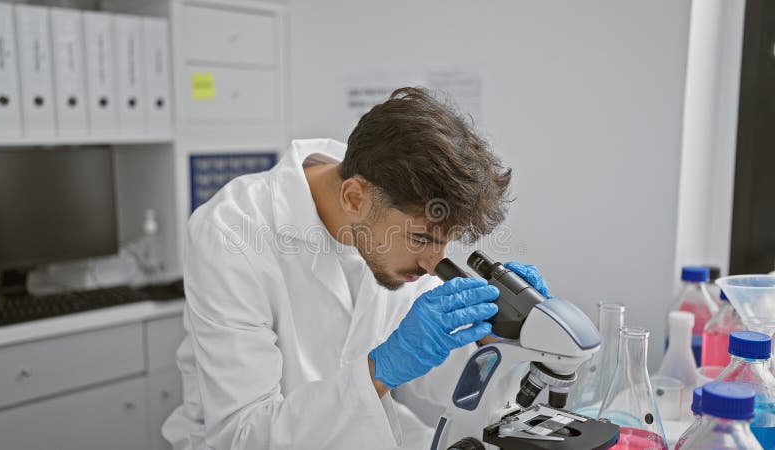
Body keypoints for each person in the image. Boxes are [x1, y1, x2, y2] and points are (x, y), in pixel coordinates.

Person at [162, 87, 551, 449]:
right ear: (354, 197)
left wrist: (500, 343)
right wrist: (381, 368)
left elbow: (445, 381)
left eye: (444, 241)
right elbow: (242, 435)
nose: (435, 264)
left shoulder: (394, 220)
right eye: (421, 239)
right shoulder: (232, 233)